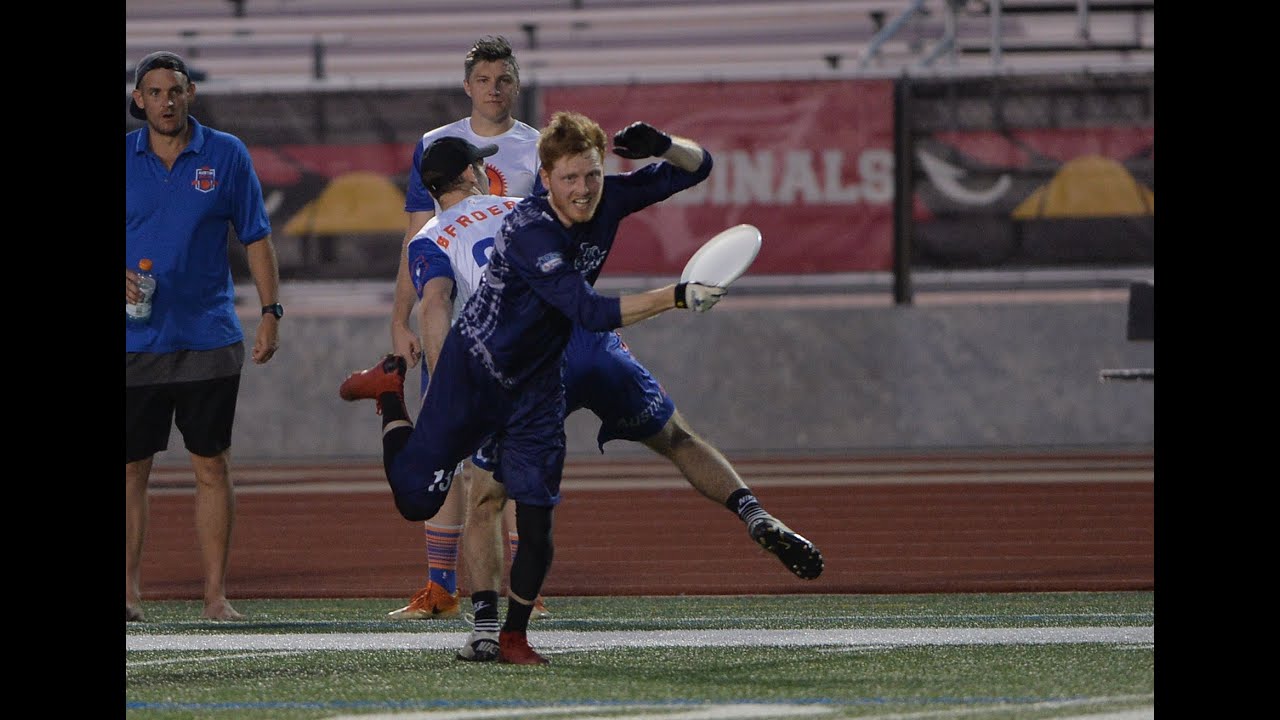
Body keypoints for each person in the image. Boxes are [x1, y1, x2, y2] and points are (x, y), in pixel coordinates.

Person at [340, 111, 823, 665]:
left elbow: (435, 305)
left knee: (484, 499)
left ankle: (487, 628)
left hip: (518, 371)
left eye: (589, 176)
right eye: (571, 178)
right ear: (489, 176)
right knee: (676, 437)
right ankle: (751, 510)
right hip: (584, 344)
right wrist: (676, 287)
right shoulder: (517, 212)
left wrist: (449, 391)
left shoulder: (437, 237)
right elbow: (590, 305)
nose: (584, 188)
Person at [385, 35, 547, 621]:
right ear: (467, 86)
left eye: (503, 79)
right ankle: (439, 587)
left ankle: (519, 586)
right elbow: (416, 238)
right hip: (452, 321)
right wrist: (398, 318)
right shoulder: (437, 145)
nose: (494, 89)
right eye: (484, 80)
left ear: (516, 83)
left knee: (516, 455)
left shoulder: (537, 147)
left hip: (520, 329)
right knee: (447, 451)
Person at [126, 51, 282, 622]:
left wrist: (271, 311)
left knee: (210, 465)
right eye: (155, 91)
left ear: (189, 94)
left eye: (176, 90)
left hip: (209, 337)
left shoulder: (226, 153)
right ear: (138, 99)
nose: (166, 101)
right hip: (133, 343)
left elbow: (257, 237)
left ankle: (216, 597)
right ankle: (127, 596)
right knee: (130, 469)